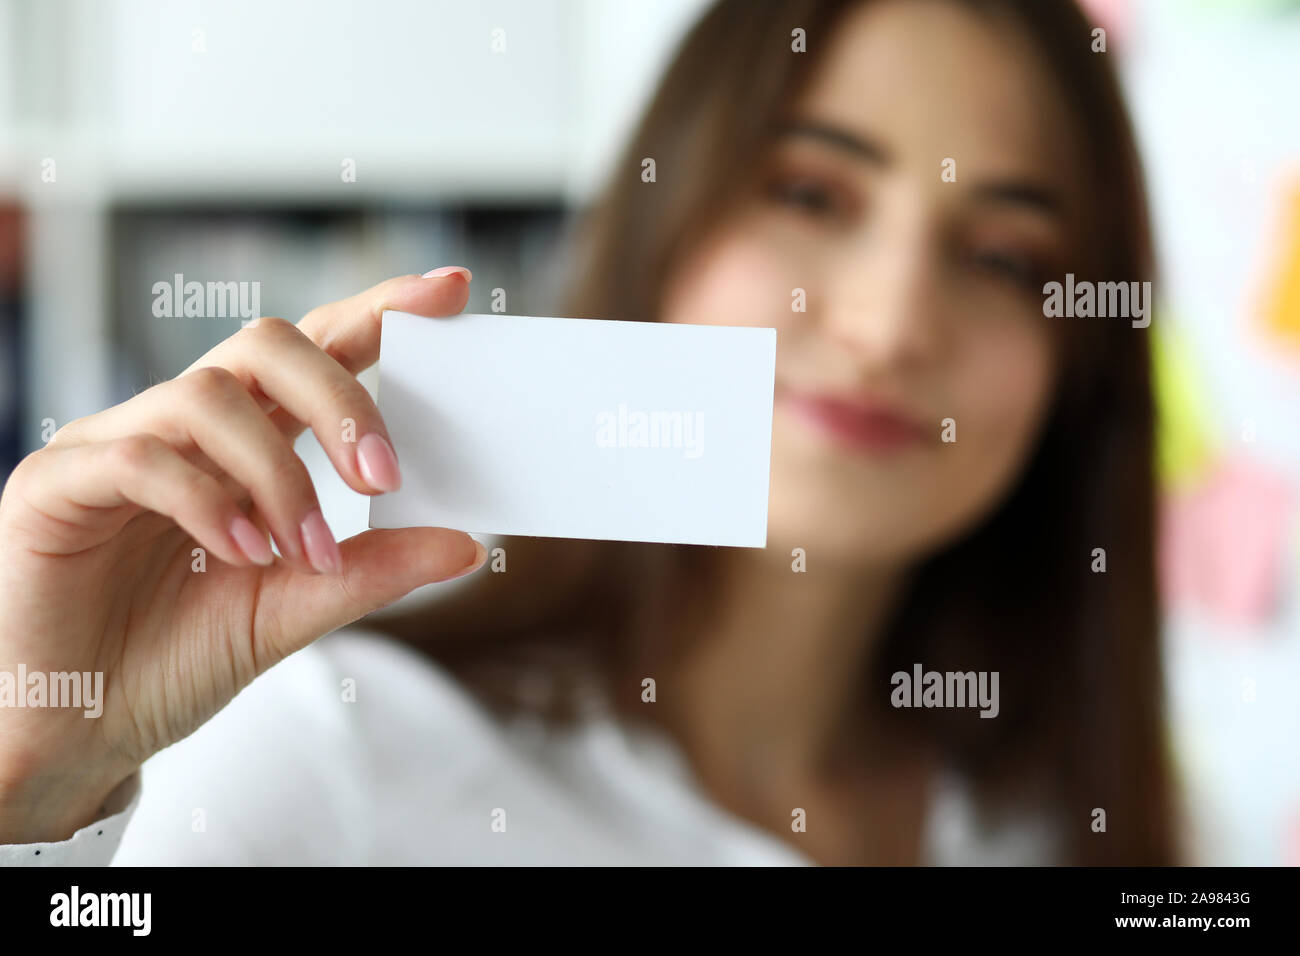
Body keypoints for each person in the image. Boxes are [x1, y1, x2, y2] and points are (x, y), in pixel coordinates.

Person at [0, 0, 1176, 866]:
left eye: (1007, 257)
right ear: (659, 226)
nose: (887, 324)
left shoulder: (1069, 820)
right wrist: (36, 787)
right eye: (812, 193)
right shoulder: (326, 752)